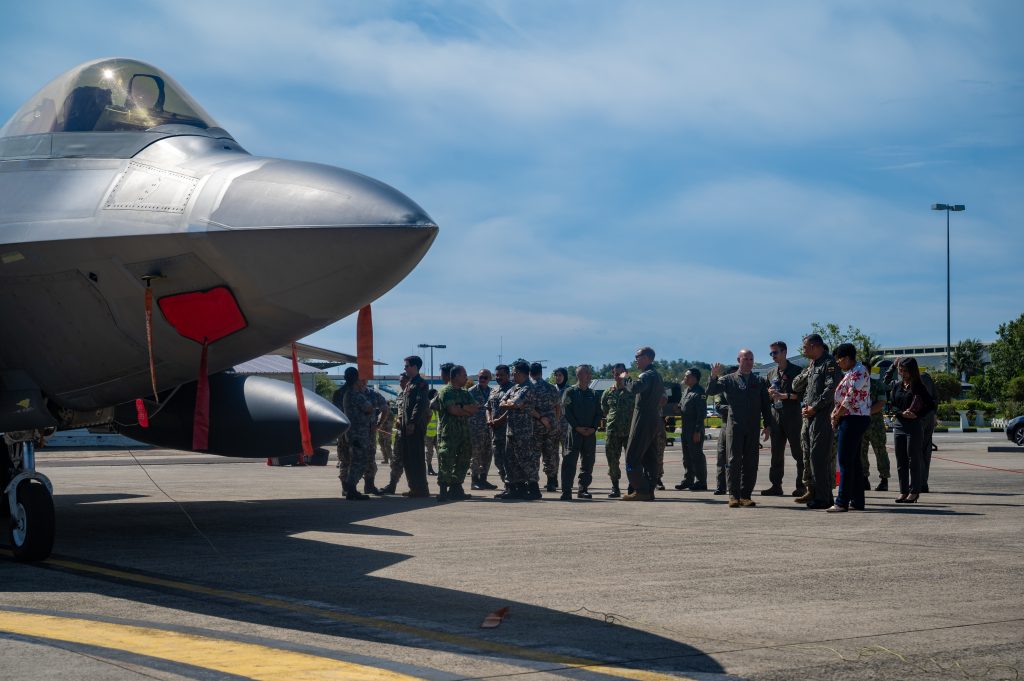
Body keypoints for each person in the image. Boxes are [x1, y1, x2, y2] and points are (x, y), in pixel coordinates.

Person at [708, 350, 772, 508]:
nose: (749, 362)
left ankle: (746, 495)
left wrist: (768, 425)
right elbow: (711, 391)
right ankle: (734, 495)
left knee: (751, 462)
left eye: (751, 359)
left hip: (753, 426)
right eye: (746, 359)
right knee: (733, 460)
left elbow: (765, 404)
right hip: (735, 426)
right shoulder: (728, 380)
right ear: (738, 360)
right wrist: (713, 376)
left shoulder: (759, 381)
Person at [827, 343, 872, 512]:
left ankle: (842, 501)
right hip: (851, 417)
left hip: (854, 418)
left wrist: (837, 414)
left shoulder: (859, 371)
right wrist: (836, 413)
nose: (838, 363)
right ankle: (857, 500)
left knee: (845, 460)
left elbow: (850, 397)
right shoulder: (851, 372)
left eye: (839, 360)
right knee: (853, 461)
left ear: (846, 358)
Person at [800, 334, 843, 510]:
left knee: (819, 457)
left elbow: (830, 389)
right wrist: (806, 405)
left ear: (815, 346)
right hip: (812, 416)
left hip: (822, 416)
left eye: (805, 347)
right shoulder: (814, 365)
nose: (803, 350)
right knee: (814, 457)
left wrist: (814, 407)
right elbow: (810, 390)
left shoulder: (829, 364)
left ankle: (823, 498)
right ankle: (823, 496)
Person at [885, 357, 936, 503]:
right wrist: (901, 413)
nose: (902, 373)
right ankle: (903, 491)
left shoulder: (918, 387)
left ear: (912, 371)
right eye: (900, 370)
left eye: (905, 370)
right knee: (901, 460)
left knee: (913, 459)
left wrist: (917, 415)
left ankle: (914, 491)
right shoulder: (897, 386)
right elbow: (892, 406)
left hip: (914, 426)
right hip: (899, 425)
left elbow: (931, 405)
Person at [618, 347, 664, 501]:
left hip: (643, 418)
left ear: (647, 358)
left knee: (632, 456)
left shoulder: (646, 375)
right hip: (653, 418)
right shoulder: (656, 375)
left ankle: (641, 489)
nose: (635, 359)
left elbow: (635, 388)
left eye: (638, 356)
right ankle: (649, 489)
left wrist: (625, 378)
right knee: (650, 456)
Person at [765, 341, 805, 497]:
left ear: (784, 353)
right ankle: (776, 485)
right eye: (771, 353)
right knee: (776, 454)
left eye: (775, 353)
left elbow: (803, 394)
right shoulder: (771, 373)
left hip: (793, 417)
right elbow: (766, 398)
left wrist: (785, 396)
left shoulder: (797, 371)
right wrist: (769, 394)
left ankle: (802, 486)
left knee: (798, 452)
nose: (773, 356)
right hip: (776, 417)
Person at [435, 365, 478, 502]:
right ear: (456, 376)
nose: (466, 377)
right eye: (464, 375)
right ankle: (443, 490)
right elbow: (453, 410)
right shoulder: (446, 391)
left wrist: (462, 407)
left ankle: (456, 488)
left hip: (464, 433)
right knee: (446, 459)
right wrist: (465, 409)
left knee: (464, 459)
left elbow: (474, 409)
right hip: (449, 433)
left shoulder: (465, 393)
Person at [499, 361, 540, 500]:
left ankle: (534, 489)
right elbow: (502, 402)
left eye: (514, 372)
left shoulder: (528, 388)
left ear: (522, 373)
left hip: (524, 431)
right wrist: (511, 404)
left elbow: (516, 403)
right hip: (511, 430)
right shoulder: (514, 388)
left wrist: (512, 404)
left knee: (526, 459)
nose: (512, 374)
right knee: (511, 460)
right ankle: (517, 488)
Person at [559, 364, 601, 500]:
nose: (589, 376)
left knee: (588, 462)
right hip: (574, 433)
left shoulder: (593, 394)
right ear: (578, 375)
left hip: (590, 434)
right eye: (586, 373)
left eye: (590, 373)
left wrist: (593, 428)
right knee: (569, 462)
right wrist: (577, 427)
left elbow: (598, 413)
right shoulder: (570, 392)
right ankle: (566, 491)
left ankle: (583, 488)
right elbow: (566, 411)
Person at [338, 371, 374, 500]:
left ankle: (350, 487)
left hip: (351, 432)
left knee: (354, 460)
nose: (362, 382)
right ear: (356, 380)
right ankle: (351, 487)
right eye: (360, 379)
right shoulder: (356, 395)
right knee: (360, 461)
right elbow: (369, 408)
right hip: (359, 432)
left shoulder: (346, 394)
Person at [400, 355, 432, 498]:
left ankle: (421, 489)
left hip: (414, 427)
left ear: (414, 367)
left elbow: (420, 405)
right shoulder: (410, 383)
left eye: (407, 366)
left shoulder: (421, 384)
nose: (405, 368)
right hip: (406, 427)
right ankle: (414, 487)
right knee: (407, 457)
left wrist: (412, 422)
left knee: (416, 458)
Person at [600, 362, 633, 498]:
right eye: (615, 373)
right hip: (613, 431)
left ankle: (633, 484)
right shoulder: (608, 392)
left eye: (620, 373)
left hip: (629, 431)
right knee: (612, 460)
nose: (617, 376)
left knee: (631, 460)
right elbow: (605, 409)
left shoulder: (632, 390)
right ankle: (615, 486)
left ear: (626, 373)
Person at [530, 363, 562, 492]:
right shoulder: (551, 388)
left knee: (535, 455)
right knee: (551, 454)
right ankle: (551, 481)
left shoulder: (530, 388)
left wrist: (540, 418)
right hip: (551, 425)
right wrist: (556, 421)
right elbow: (558, 406)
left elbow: (529, 408)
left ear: (530, 373)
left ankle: (533, 483)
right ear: (541, 373)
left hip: (535, 426)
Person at [677, 369, 708, 491]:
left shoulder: (700, 392)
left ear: (694, 378)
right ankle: (688, 480)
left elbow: (701, 414)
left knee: (697, 456)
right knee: (687, 456)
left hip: (694, 429)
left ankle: (701, 482)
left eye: (687, 376)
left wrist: (697, 431)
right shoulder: (686, 391)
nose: (684, 378)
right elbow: (681, 406)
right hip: (685, 429)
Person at [379, 372, 409, 495]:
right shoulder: (400, 395)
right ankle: (392, 485)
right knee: (397, 460)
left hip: (412, 434)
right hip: (401, 433)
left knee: (412, 462)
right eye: (400, 381)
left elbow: (427, 414)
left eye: (403, 381)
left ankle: (416, 487)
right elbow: (400, 413)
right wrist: (399, 420)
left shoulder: (416, 392)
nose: (401, 384)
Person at [860, 374, 891, 492]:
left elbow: (881, 402)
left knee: (880, 451)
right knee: (861, 452)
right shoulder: (855, 384)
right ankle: (864, 479)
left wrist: (865, 412)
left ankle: (884, 479)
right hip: (861, 424)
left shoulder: (877, 384)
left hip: (875, 425)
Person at [487, 364, 514, 490]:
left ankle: (511, 486)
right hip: (495, 431)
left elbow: (512, 409)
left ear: (508, 375)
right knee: (498, 460)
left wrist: (500, 420)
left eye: (501, 375)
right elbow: (488, 407)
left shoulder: (514, 389)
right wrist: (490, 419)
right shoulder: (494, 390)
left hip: (508, 431)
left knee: (509, 460)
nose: (498, 377)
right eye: (496, 375)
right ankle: (506, 483)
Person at [468, 369, 496, 490]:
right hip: (475, 428)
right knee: (475, 455)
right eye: (480, 377)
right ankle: (474, 480)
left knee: (487, 454)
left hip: (489, 428)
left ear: (490, 379)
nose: (482, 380)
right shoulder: (471, 392)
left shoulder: (493, 392)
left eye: (485, 377)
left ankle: (483, 479)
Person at [919, 370, 939, 493]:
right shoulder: (926, 377)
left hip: (918, 418)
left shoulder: (911, 379)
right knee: (925, 451)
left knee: (916, 451)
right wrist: (934, 414)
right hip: (929, 416)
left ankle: (919, 482)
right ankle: (923, 482)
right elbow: (935, 398)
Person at [553, 367, 570, 461]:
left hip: (566, 426)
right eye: (556, 375)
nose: (558, 377)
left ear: (565, 376)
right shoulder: (551, 389)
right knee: (552, 453)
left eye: (560, 375)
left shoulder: (570, 390)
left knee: (567, 453)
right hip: (553, 425)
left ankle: (566, 474)